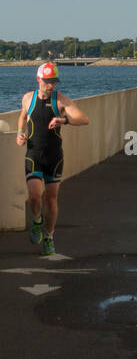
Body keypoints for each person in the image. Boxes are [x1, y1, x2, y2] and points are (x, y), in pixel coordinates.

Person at [15, 62, 89, 255]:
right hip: (33, 154)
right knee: (33, 195)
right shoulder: (27, 99)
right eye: (47, 81)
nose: (51, 85)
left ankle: (49, 236)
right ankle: (37, 221)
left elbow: (84, 119)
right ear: (38, 79)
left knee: (50, 199)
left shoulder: (61, 101)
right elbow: (23, 117)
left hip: (54, 156)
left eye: (54, 82)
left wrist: (63, 120)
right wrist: (20, 133)